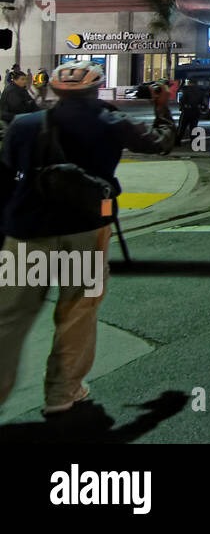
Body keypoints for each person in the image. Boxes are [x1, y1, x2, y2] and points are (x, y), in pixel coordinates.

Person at [0, 58, 176, 416]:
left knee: (9, 318)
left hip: (26, 232)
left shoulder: (24, 124)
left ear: (54, 90)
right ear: (95, 89)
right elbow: (160, 143)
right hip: (84, 228)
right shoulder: (110, 121)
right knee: (77, 311)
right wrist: (162, 109)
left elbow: (4, 179)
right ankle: (62, 394)